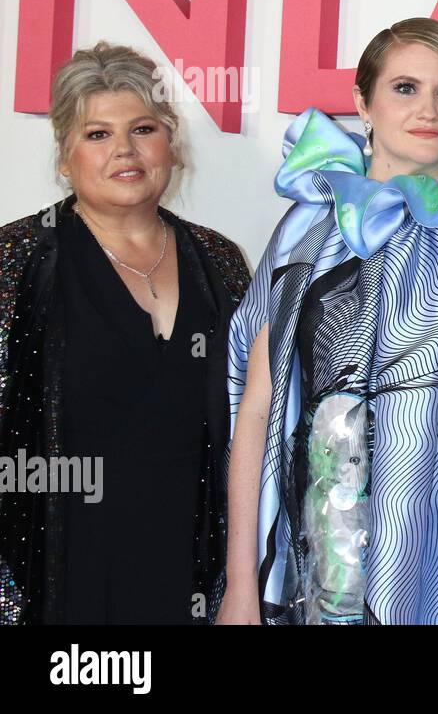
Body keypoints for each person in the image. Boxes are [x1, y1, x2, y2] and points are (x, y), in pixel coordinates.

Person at [218, 18, 438, 625]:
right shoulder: (305, 229)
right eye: (405, 87)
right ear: (363, 103)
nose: (428, 109)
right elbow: (258, 403)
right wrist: (242, 582)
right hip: (324, 553)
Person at [0, 42, 250, 624]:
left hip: (190, 573)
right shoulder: (16, 261)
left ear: (171, 144)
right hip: (59, 578)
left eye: (143, 128)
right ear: (65, 155)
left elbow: (252, 420)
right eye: (96, 134)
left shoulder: (221, 262)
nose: (124, 151)